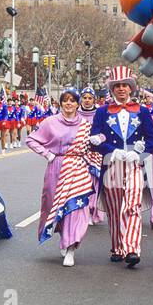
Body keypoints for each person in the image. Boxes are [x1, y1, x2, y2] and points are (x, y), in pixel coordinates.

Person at [90, 66, 153, 268]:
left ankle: (132, 249)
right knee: (114, 209)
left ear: (131, 88)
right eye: (117, 86)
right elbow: (93, 140)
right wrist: (111, 151)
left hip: (134, 166)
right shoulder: (102, 112)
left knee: (132, 205)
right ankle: (117, 247)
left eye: (125, 85)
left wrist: (138, 152)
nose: (121, 89)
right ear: (112, 89)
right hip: (111, 165)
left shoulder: (143, 111)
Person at [30, 88, 103, 265]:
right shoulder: (50, 122)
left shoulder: (86, 124)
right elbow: (32, 139)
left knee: (76, 207)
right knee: (53, 205)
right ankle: (64, 235)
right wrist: (47, 154)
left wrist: (99, 139)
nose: (69, 103)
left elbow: (101, 137)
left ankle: (71, 246)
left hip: (78, 166)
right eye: (65, 100)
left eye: (72, 100)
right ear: (61, 103)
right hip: (56, 166)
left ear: (78, 104)